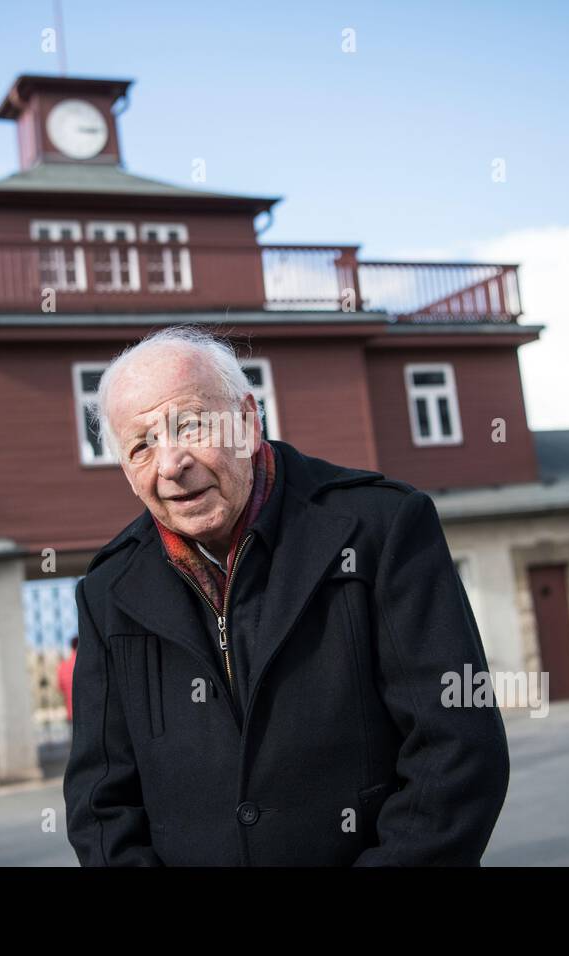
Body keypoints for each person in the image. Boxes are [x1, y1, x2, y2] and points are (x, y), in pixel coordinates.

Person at [63, 325, 509, 866]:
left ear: (248, 422)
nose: (170, 464)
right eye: (141, 446)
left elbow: (458, 748)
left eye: (191, 425)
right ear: (128, 473)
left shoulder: (379, 528)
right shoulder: (108, 589)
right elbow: (100, 804)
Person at [56, 636, 77, 722]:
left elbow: (60, 687)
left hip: (71, 712)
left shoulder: (63, 666)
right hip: (88, 712)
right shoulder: (87, 664)